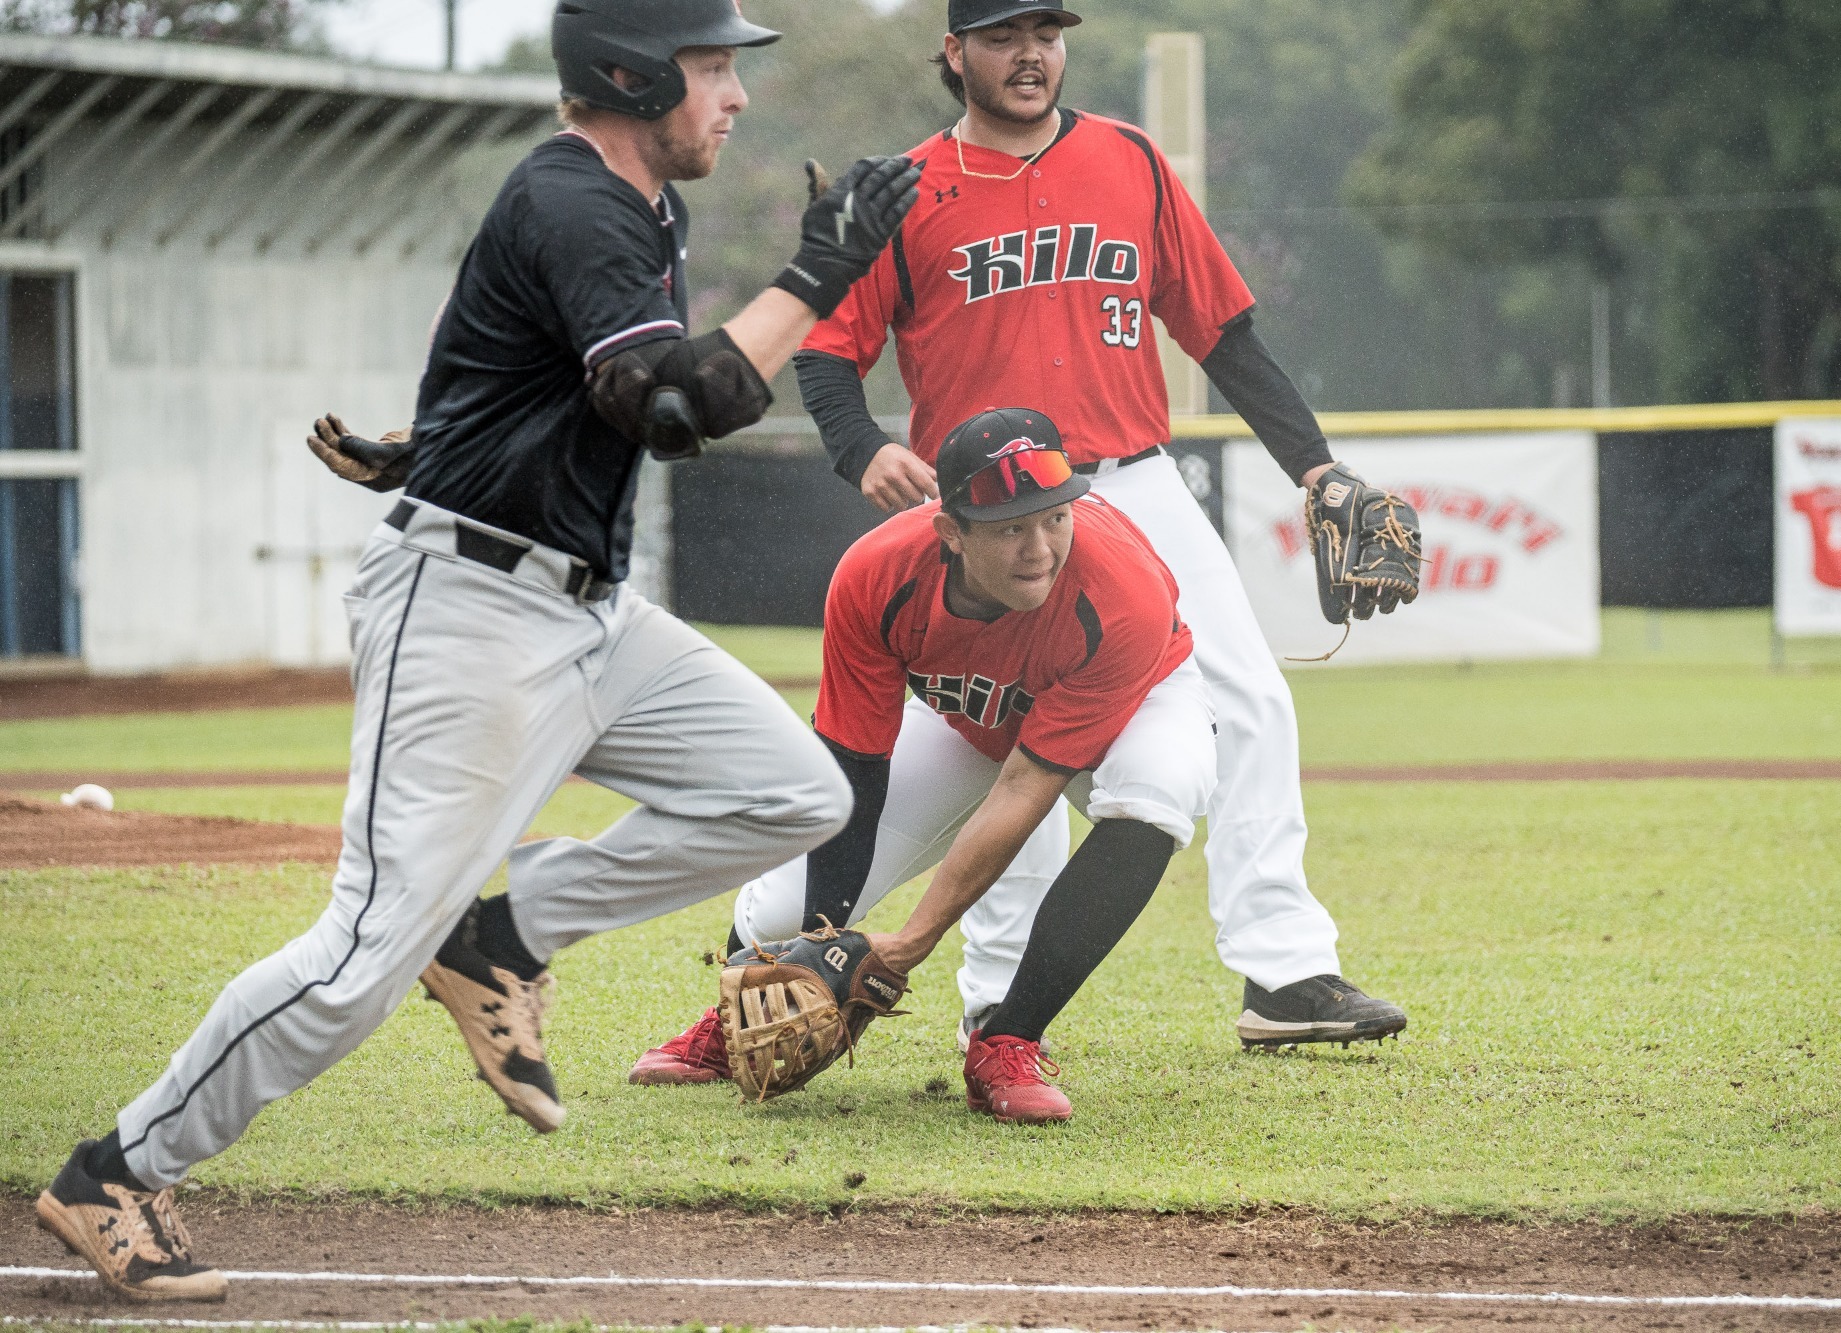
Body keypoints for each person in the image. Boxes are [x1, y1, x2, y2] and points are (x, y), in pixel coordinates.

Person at [33, 0, 919, 1303]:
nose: (733, 95)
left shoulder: (634, 210)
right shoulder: (577, 202)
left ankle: (499, 937)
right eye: (712, 66)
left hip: (583, 609)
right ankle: (116, 1171)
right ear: (629, 74)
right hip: (471, 616)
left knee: (792, 789)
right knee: (355, 963)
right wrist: (813, 278)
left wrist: (434, 445)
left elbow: (532, 378)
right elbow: (670, 406)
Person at [790, 0, 1408, 1053]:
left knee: (1250, 699)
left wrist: (1313, 464)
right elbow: (823, 350)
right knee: (999, 739)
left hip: (1131, 478)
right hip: (984, 513)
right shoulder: (909, 189)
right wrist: (860, 450)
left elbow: (1221, 329)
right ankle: (993, 999)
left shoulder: (1128, 159)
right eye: (1000, 35)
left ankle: (1286, 970)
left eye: (1045, 31)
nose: (1029, 54)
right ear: (953, 53)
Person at [632, 408, 1215, 1123]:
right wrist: (822, 953)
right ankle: (726, 1023)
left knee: (1158, 789)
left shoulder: (1120, 590)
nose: (1041, 548)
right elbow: (855, 768)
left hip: (1138, 698)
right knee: (783, 909)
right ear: (951, 531)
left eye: (1055, 517)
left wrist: (907, 946)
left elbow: (1029, 782)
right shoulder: (876, 575)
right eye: (1010, 527)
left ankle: (1008, 1037)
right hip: (973, 723)